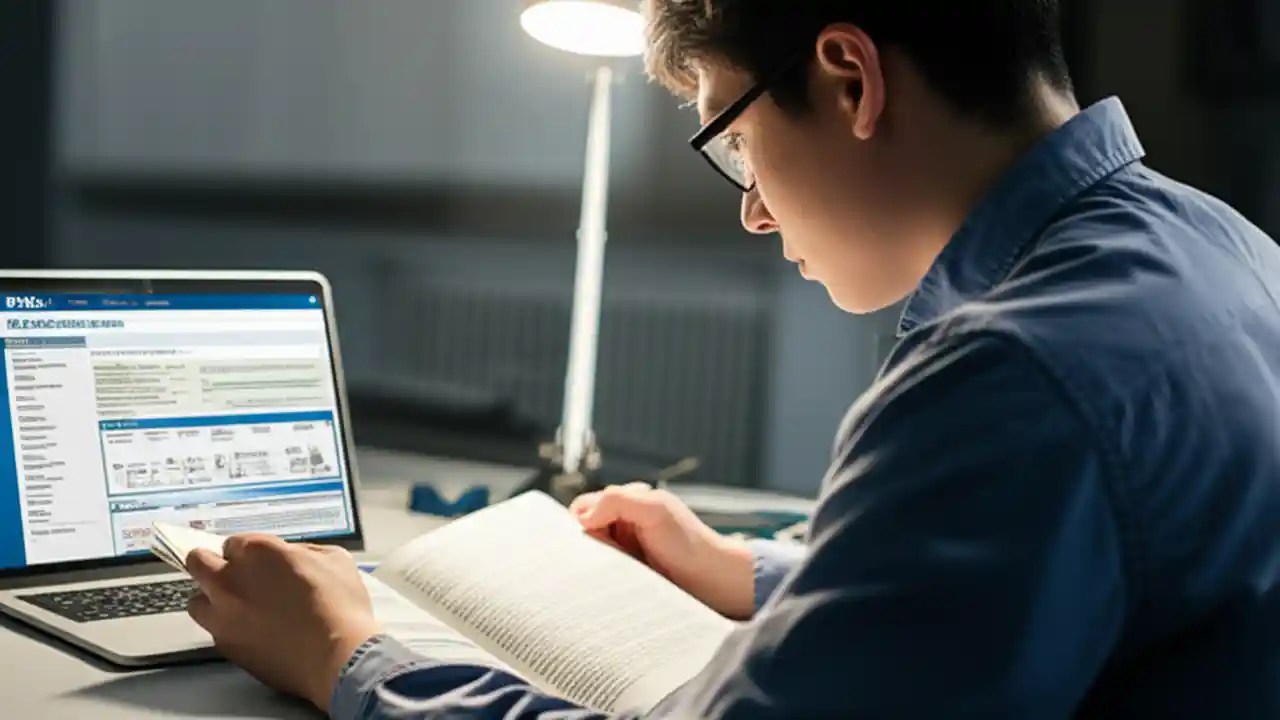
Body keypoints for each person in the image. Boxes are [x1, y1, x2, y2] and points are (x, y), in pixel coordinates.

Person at [182, 1, 1280, 717]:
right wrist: (751, 573)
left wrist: (347, 657)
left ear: (849, 77)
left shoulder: (1008, 374)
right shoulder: (1221, 247)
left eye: (735, 140)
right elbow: (1054, 575)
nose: (751, 209)